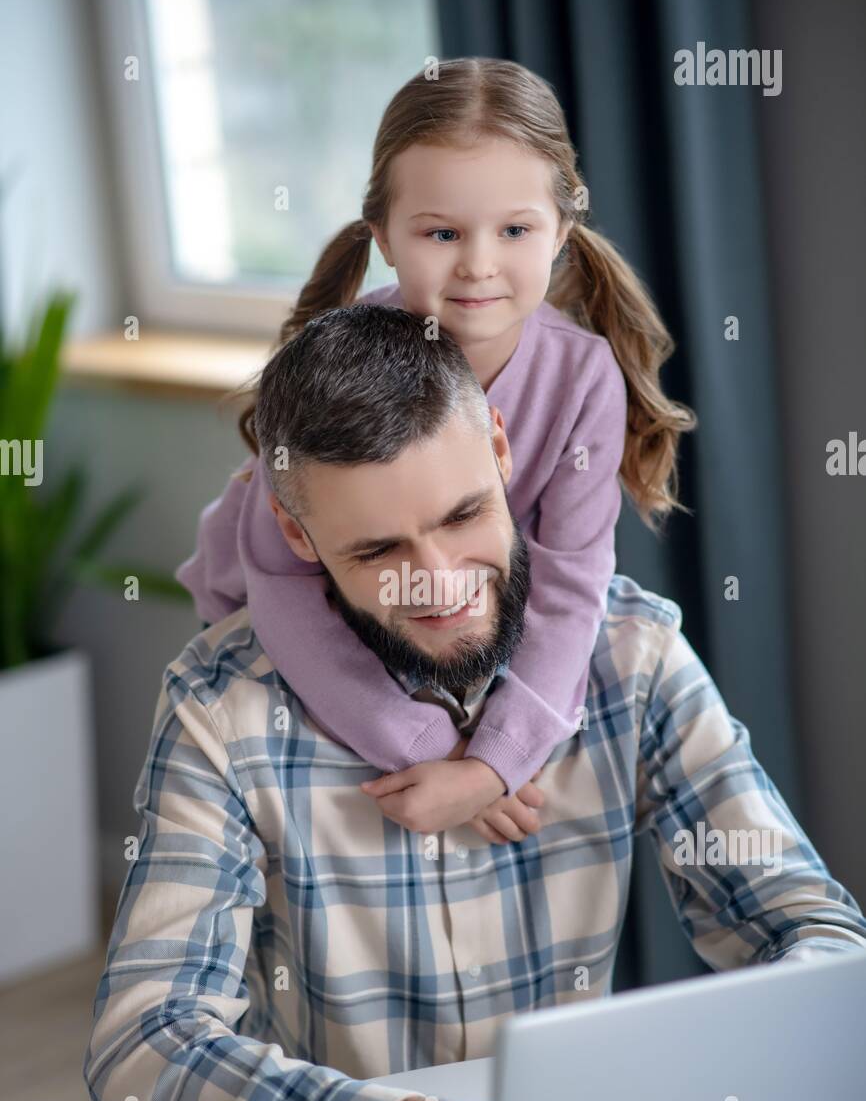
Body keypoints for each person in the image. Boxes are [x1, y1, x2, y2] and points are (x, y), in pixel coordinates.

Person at [85, 306, 866, 1101]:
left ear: (500, 449)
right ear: (296, 534)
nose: (441, 582)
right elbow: (141, 1051)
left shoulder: (633, 658)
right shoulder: (221, 708)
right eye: (379, 549)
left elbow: (824, 944)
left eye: (463, 515)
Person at [175, 55, 696, 845]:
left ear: (561, 229)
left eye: (515, 229)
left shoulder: (584, 377)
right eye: (442, 232)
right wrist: (435, 751)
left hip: (441, 606)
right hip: (276, 605)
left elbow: (569, 583)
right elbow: (277, 576)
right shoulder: (338, 362)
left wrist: (494, 763)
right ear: (382, 234)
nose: (479, 264)